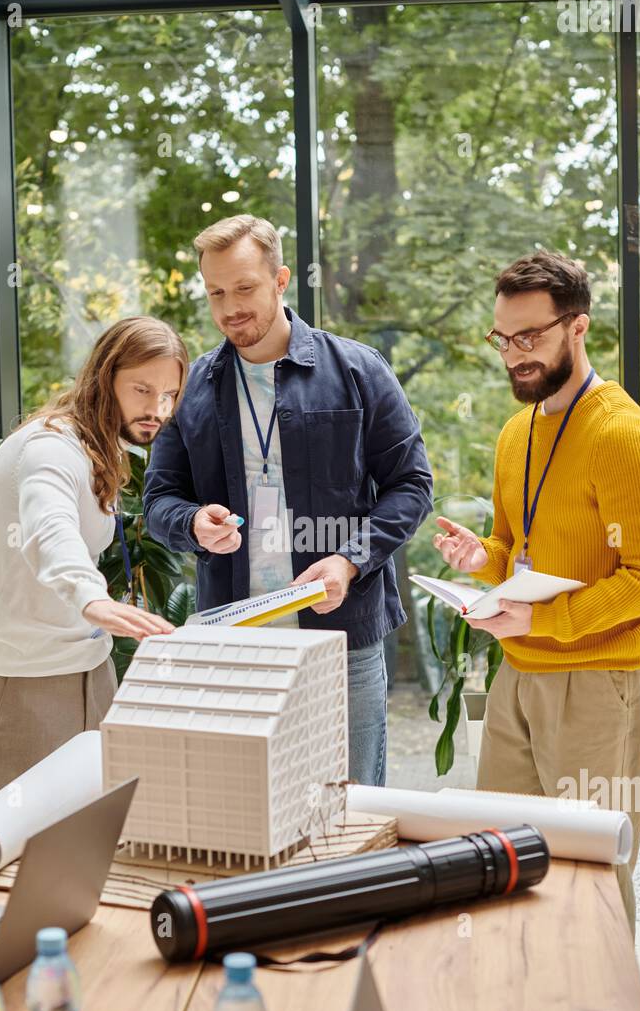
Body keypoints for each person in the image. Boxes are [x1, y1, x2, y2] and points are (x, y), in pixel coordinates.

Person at [434, 250, 640, 934]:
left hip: (599, 681)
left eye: (530, 337)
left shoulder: (622, 436)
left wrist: (547, 618)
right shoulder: (519, 431)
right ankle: (523, 1009)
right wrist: (483, 557)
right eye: (503, 339)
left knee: (590, 869)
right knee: (507, 858)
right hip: (520, 670)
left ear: (578, 328)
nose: (514, 355)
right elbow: (520, 553)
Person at [143, 214, 433, 786]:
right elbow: (157, 501)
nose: (230, 308)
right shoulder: (193, 387)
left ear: (279, 281)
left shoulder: (358, 370)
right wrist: (194, 521)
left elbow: (412, 484)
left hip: (341, 634)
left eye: (245, 288)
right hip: (237, 639)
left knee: (351, 806)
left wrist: (350, 559)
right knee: (248, 803)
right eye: (216, 293)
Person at [0, 316, 186, 798]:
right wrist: (92, 598)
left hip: (89, 666)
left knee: (91, 834)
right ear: (105, 379)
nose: (158, 410)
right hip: (25, 682)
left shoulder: (98, 446)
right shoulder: (49, 447)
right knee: (15, 854)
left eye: (169, 394)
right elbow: (48, 529)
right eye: (142, 389)